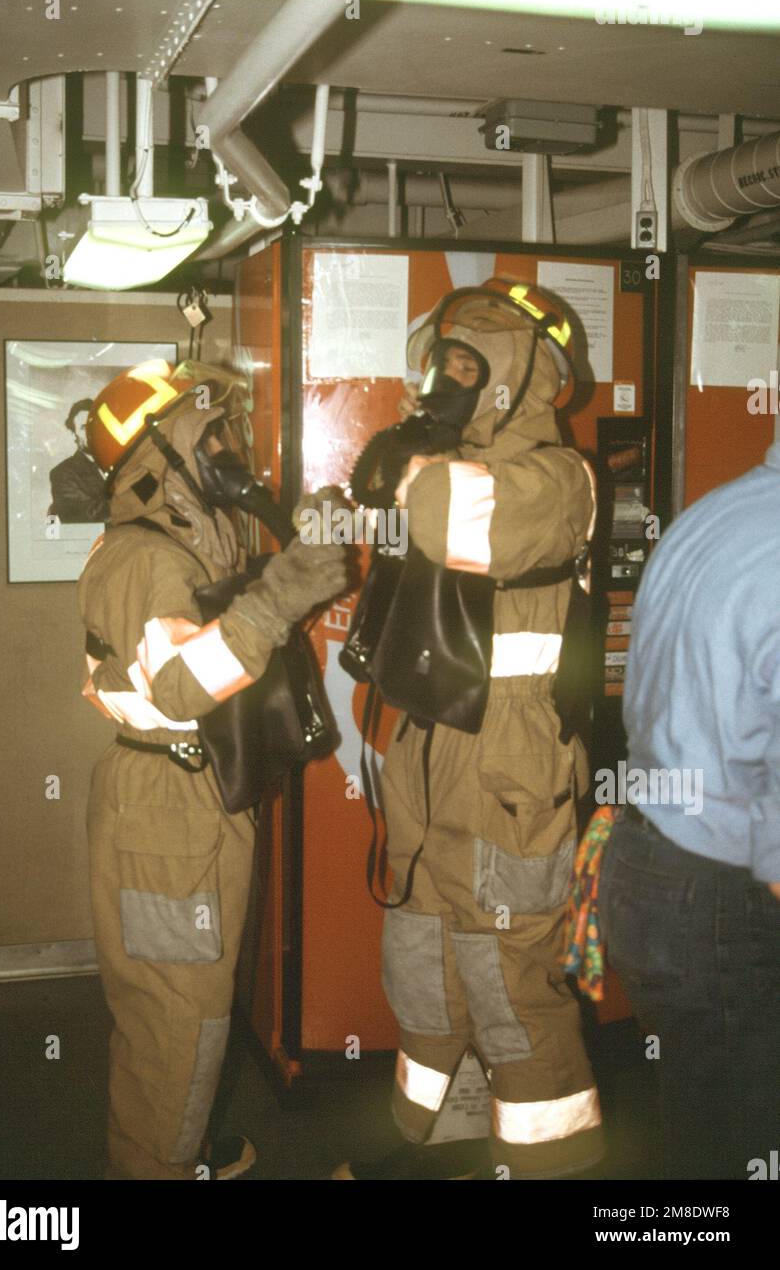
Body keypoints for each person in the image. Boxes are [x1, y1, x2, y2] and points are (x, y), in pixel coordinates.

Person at [335, 280, 604, 1180]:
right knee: (422, 952)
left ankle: (552, 1167)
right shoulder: (446, 458)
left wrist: (412, 450)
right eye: (438, 362)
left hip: (509, 765)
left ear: (514, 376)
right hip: (428, 747)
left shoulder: (558, 480)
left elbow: (456, 518)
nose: (436, 380)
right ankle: (425, 1150)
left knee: (508, 979)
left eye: (461, 361)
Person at [78, 357, 347, 1180]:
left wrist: (297, 551)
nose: (230, 446)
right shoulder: (141, 558)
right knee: (178, 1016)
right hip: (167, 811)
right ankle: (155, 1166)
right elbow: (184, 682)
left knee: (187, 1001)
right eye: (212, 433)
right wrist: (282, 595)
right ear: (158, 460)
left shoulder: (178, 547)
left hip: (190, 802)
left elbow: (218, 624)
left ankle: (175, 1148)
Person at [598, 437, 780, 1181]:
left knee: (702, 1131)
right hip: (718, 897)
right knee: (745, 1145)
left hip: (645, 865)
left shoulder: (714, 512)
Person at [49, 398, 109, 524]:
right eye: (83, 427)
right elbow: (81, 517)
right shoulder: (62, 474)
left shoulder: (123, 461)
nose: (91, 432)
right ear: (73, 434)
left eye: (95, 425)